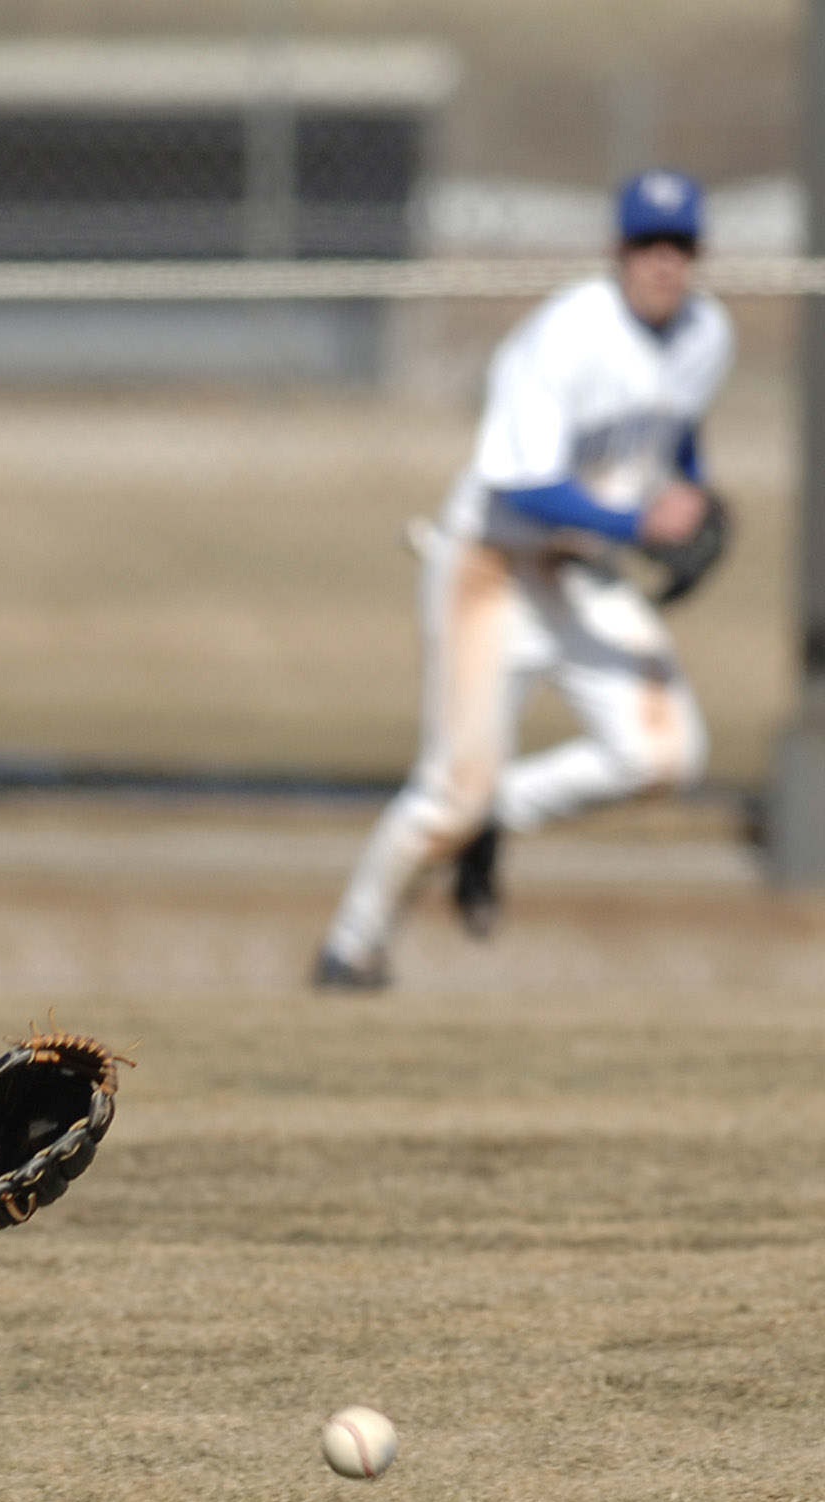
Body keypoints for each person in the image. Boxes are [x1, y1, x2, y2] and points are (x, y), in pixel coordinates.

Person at [315, 170, 729, 991]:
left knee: (667, 753)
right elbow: (518, 483)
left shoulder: (706, 334)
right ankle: (350, 950)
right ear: (617, 251)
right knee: (450, 794)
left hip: (582, 570)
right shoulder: (567, 337)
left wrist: (691, 494)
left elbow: (672, 436)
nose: (663, 263)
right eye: (647, 244)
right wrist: (640, 526)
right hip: (490, 566)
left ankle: (498, 816)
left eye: (678, 246)